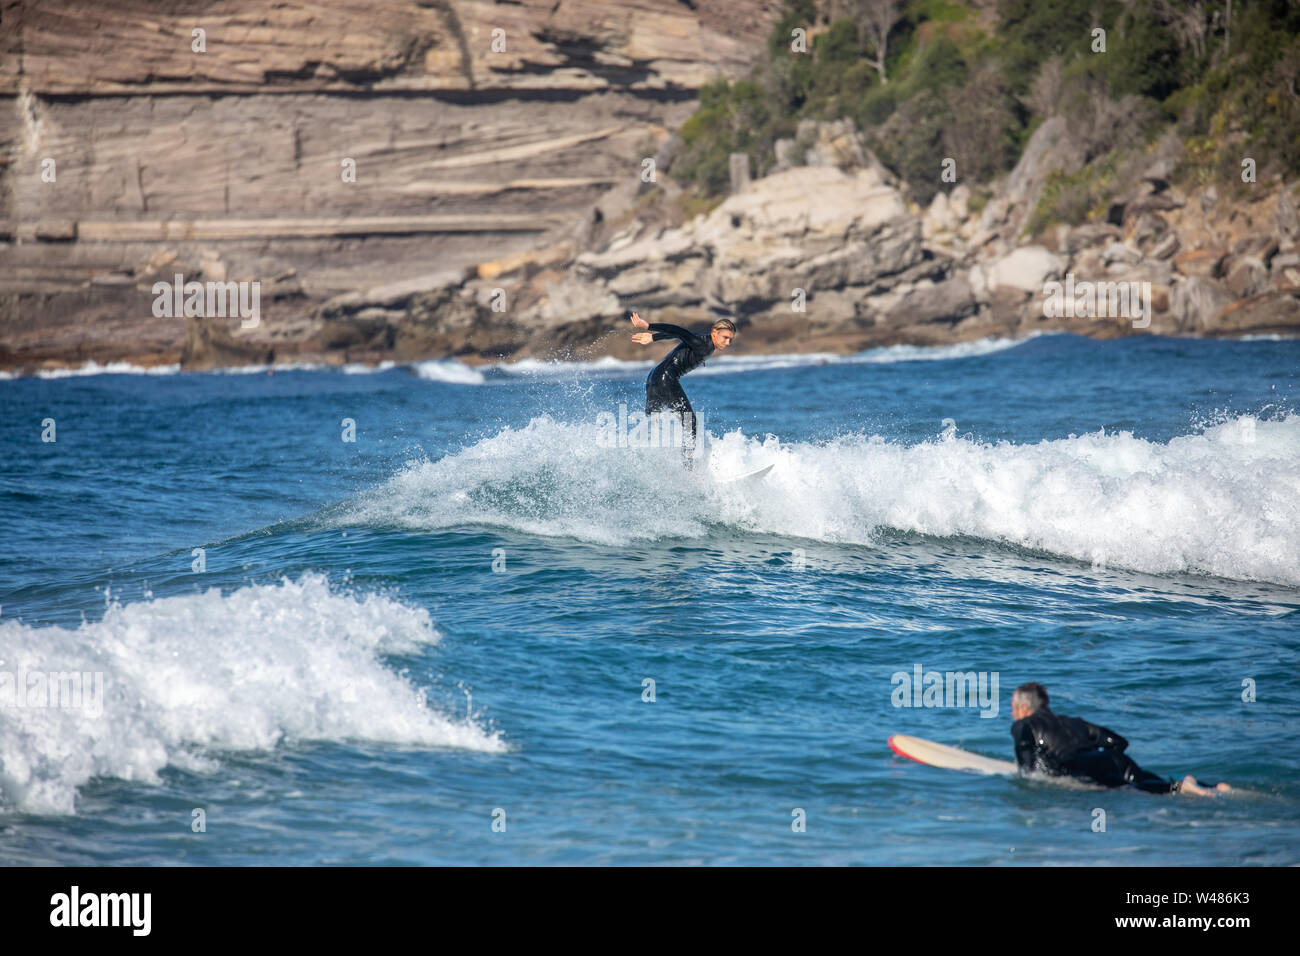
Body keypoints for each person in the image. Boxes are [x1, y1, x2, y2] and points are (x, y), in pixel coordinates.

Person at [1009, 682, 1230, 796]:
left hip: (1086, 767)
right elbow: (1118, 742)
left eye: (1013, 709)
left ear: (1023, 708)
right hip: (1113, 759)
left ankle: (1180, 788)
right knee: (1144, 782)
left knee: (1136, 790)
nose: (1012, 714)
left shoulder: (1024, 724)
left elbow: (1024, 749)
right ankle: (1211, 786)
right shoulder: (1074, 721)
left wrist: (1034, 779)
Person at [628, 311, 735, 467]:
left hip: (653, 378)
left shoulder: (702, 341)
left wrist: (655, 337)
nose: (728, 343)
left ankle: (640, 464)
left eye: (731, 340)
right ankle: (688, 469)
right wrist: (649, 328)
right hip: (665, 379)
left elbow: (678, 335)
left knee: (652, 425)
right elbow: (678, 331)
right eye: (725, 338)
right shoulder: (703, 344)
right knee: (690, 422)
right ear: (714, 332)